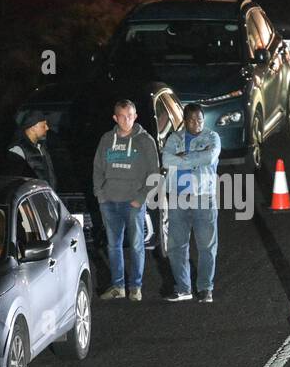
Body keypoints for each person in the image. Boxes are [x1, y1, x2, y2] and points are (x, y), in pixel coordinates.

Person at [92, 99, 159, 301]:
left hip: (133, 202)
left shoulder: (145, 141)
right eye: (122, 116)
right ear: (115, 118)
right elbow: (97, 168)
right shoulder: (106, 139)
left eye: (130, 116)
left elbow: (154, 173)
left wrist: (140, 198)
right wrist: (100, 194)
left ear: (135, 116)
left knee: (137, 245)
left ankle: (135, 287)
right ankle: (118, 286)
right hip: (109, 202)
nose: (127, 120)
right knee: (114, 245)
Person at [161, 104, 221, 303]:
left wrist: (182, 159)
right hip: (178, 198)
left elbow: (210, 156)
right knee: (176, 245)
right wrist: (194, 159)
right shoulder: (174, 138)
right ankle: (183, 288)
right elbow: (166, 159)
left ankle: (205, 288)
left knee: (206, 246)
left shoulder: (212, 137)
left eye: (200, 120)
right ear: (184, 121)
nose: (197, 124)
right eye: (192, 120)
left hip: (204, 198)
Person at [5, 111, 58, 190]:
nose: (47, 128)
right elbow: (13, 181)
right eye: (43, 126)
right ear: (33, 128)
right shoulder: (18, 150)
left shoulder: (41, 147)